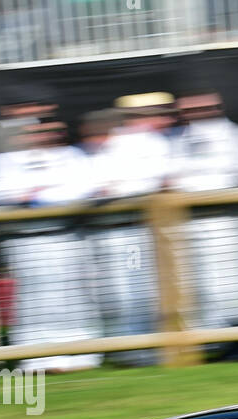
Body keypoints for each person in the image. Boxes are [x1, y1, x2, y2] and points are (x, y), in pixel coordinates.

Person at [0, 109, 102, 372]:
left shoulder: (72, 155)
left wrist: (39, 195)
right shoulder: (3, 160)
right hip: (26, 241)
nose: (43, 134)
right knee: (32, 299)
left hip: (68, 238)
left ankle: (81, 356)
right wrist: (38, 195)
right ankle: (36, 360)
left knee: (75, 295)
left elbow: (85, 188)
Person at [167, 86, 238, 352]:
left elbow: (232, 176)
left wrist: (184, 184)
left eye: (201, 108)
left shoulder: (236, 135)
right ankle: (207, 344)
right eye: (187, 110)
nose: (194, 115)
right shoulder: (176, 138)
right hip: (183, 222)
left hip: (223, 219)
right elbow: (166, 175)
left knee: (230, 279)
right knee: (194, 283)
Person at [85, 94, 173, 365]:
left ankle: (146, 351)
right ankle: (128, 351)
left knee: (142, 291)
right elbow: (96, 182)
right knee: (118, 292)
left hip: (142, 229)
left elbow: (159, 180)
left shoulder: (158, 143)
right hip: (112, 229)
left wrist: (119, 189)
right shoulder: (112, 144)